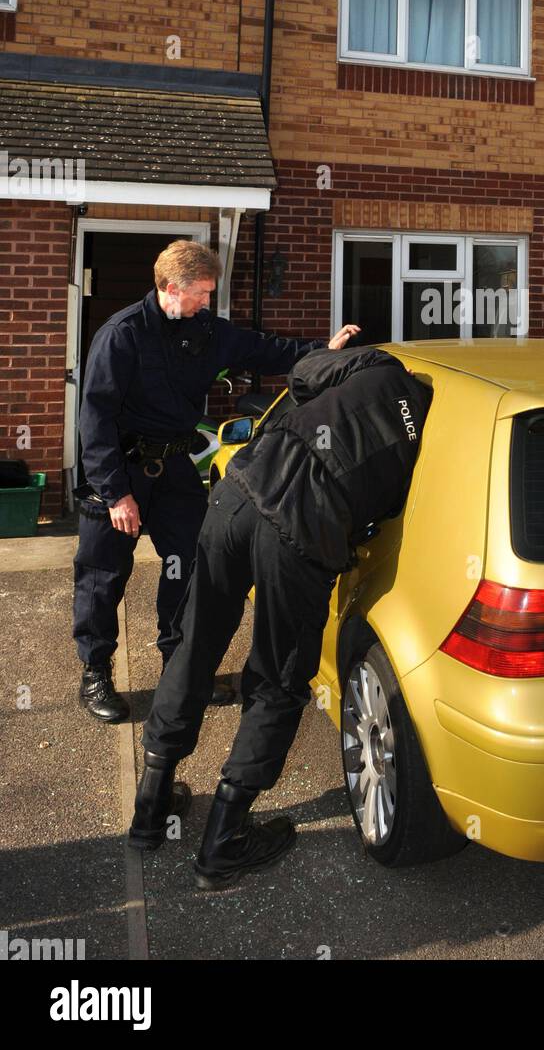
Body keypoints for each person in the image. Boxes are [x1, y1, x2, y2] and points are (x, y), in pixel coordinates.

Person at [127, 344, 433, 889]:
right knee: (278, 677)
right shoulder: (431, 448)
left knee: (197, 644)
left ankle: (150, 809)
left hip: (239, 494)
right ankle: (223, 840)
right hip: (299, 530)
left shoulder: (378, 366)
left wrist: (334, 355)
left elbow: (301, 377)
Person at [74, 239, 360, 724]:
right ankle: (95, 672)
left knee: (188, 565)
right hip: (120, 472)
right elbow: (94, 417)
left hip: (173, 472)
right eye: (202, 293)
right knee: (104, 576)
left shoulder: (205, 330)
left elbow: (261, 348)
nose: (208, 301)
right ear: (170, 288)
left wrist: (321, 351)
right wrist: (115, 492)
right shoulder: (121, 335)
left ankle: (180, 668)